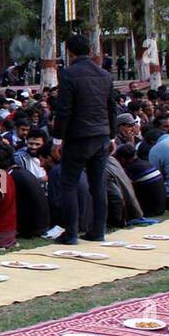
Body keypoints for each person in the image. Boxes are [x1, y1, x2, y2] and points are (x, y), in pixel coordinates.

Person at [51, 34, 116, 243]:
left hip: (79, 137)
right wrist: (112, 135)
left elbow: (64, 110)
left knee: (68, 184)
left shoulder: (68, 74)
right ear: (90, 51)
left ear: (69, 53)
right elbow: (111, 108)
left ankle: (71, 234)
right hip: (102, 135)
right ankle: (98, 231)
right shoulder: (105, 75)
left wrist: (57, 139)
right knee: (98, 185)